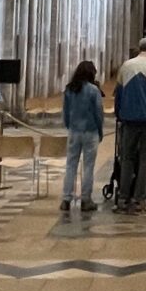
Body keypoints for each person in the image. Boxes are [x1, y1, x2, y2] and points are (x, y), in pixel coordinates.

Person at [114, 39, 146, 212]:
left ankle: (123, 198)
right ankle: (140, 199)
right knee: (145, 159)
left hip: (129, 119)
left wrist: (119, 113)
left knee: (127, 158)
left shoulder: (126, 66)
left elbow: (119, 94)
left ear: (138, 48)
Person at [59, 59, 103, 215]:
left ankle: (66, 199)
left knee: (71, 165)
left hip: (74, 131)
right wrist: (100, 130)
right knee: (88, 166)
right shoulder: (93, 90)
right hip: (90, 131)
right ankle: (86, 199)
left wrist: (69, 126)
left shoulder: (69, 89)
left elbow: (65, 112)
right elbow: (98, 112)